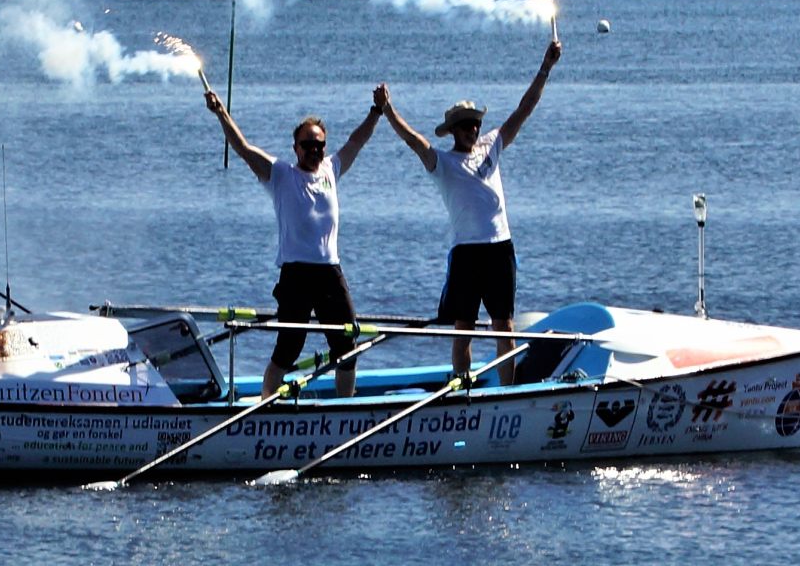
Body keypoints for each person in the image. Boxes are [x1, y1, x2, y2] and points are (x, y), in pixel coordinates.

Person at [377, 37, 562, 387]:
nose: (473, 130)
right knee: (464, 329)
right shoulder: (443, 162)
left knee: (503, 326)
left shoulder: (492, 143)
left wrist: (545, 67)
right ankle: (462, 389)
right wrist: (388, 110)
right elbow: (413, 140)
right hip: (466, 252)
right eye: (465, 125)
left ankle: (508, 391)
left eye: (475, 123)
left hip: (499, 247)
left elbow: (525, 107)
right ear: (453, 131)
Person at [204, 86, 385, 399]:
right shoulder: (281, 175)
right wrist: (221, 112)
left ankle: (344, 409)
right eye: (307, 145)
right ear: (296, 147)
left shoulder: (332, 168)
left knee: (346, 346)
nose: (314, 150)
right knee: (288, 348)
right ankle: (264, 406)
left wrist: (377, 111)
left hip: (330, 271)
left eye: (319, 145)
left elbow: (357, 141)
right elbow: (243, 148)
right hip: (296, 273)